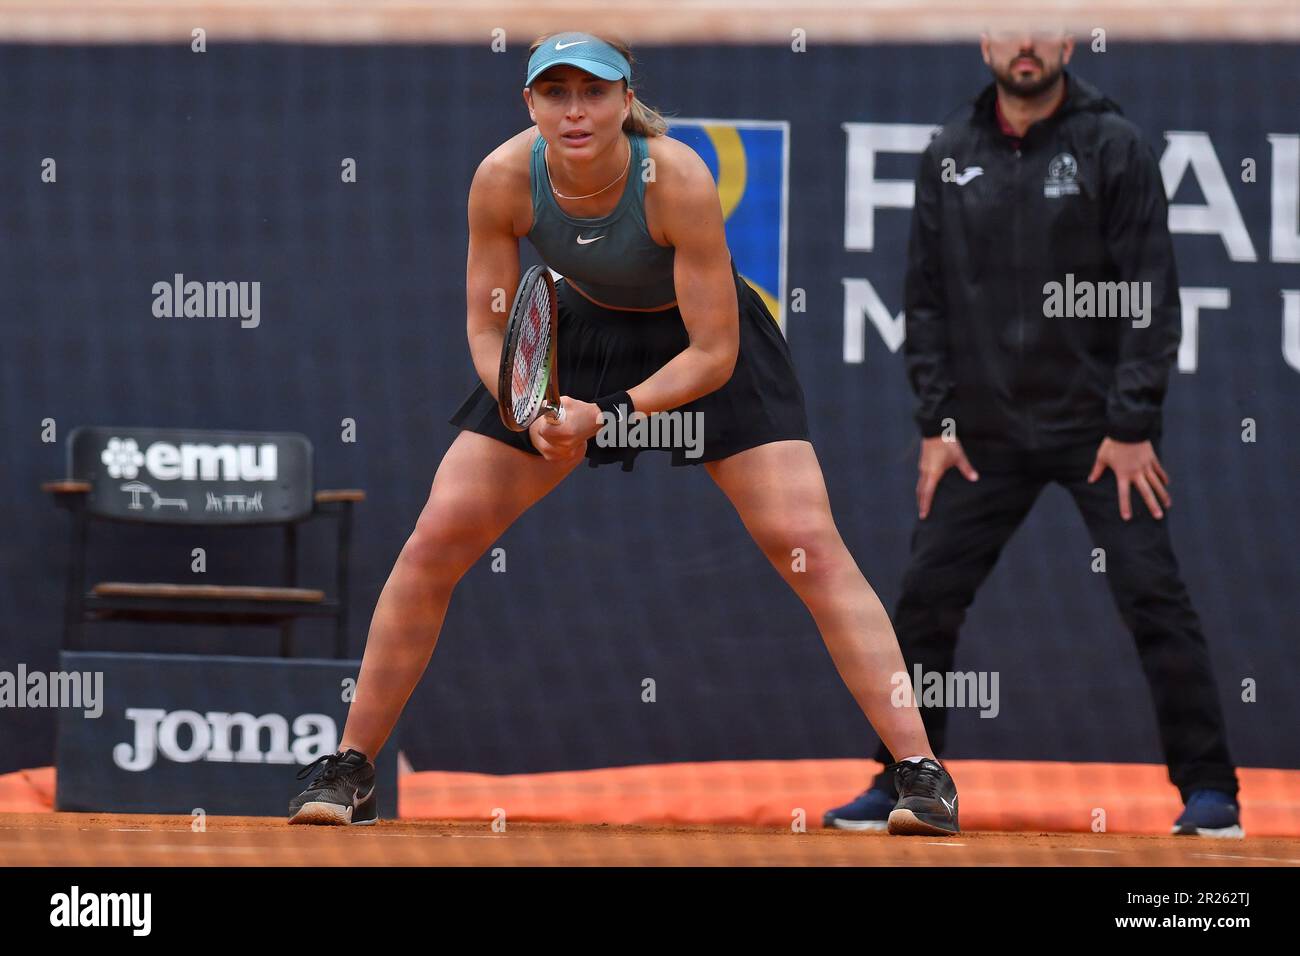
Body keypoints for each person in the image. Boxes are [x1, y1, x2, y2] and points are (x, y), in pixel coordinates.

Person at [288, 31, 959, 835]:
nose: (576, 111)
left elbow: (714, 350)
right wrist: (525, 401)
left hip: (702, 349)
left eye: (594, 92)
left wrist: (608, 418)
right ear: (529, 102)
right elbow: (488, 324)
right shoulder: (502, 179)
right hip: (577, 335)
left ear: (624, 99)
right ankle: (350, 766)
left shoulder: (674, 177)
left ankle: (919, 774)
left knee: (805, 540)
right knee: (436, 537)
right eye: (556, 93)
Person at [824, 28, 1242, 837]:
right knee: (923, 601)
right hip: (981, 434)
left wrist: (1130, 424)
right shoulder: (949, 150)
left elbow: (1149, 296)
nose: (1024, 43)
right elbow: (926, 299)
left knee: (1154, 596)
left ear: (1068, 38)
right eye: (1007, 24)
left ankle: (1210, 791)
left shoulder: (1113, 146)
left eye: (1040, 24)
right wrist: (939, 422)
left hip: (1098, 434)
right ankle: (908, 781)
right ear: (985, 41)